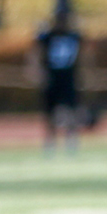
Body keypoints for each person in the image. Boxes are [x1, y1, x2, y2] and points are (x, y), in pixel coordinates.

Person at [34, 10, 83, 155]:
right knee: (49, 112)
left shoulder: (74, 36)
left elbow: (83, 56)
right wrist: (37, 72)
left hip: (69, 78)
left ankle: (71, 140)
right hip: (52, 78)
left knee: (71, 110)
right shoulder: (47, 37)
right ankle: (50, 141)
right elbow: (36, 54)